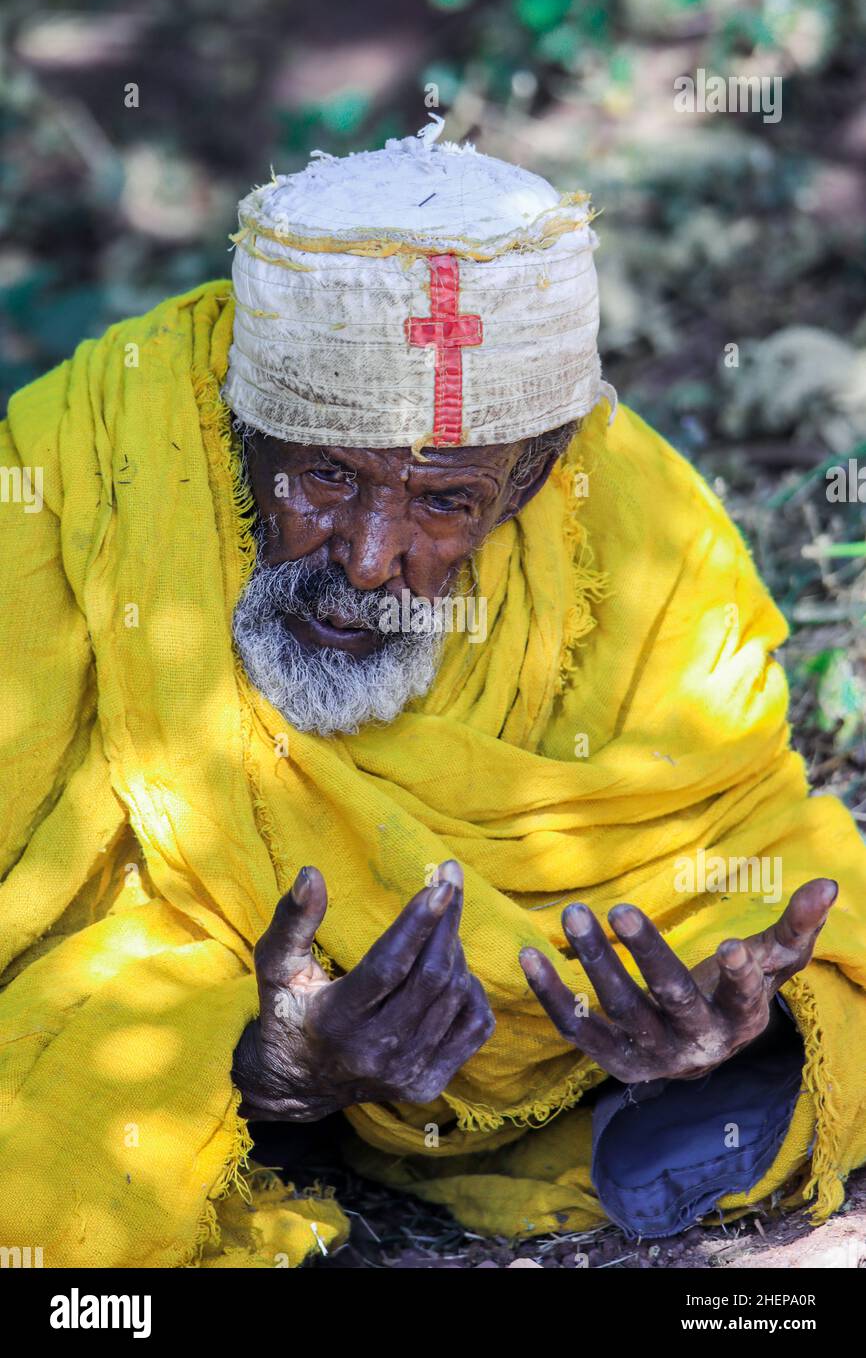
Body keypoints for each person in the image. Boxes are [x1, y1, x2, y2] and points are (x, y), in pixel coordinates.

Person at [0, 118, 864, 1268]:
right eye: (319, 475)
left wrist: (720, 1025)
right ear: (236, 422)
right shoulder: (86, 465)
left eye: (441, 502)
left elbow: (748, 844)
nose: (365, 557)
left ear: (533, 479)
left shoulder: (643, 536)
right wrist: (261, 1062)